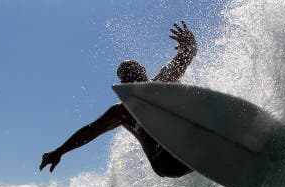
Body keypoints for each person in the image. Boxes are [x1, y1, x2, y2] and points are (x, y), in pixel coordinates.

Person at [39, 21, 197, 178]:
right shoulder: (122, 111)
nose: (132, 76)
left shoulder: (162, 82)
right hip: (162, 160)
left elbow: (184, 58)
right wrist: (59, 151)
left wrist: (189, 45)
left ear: (143, 71)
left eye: (134, 71)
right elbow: (90, 131)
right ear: (123, 83)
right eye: (127, 76)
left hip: (184, 149)